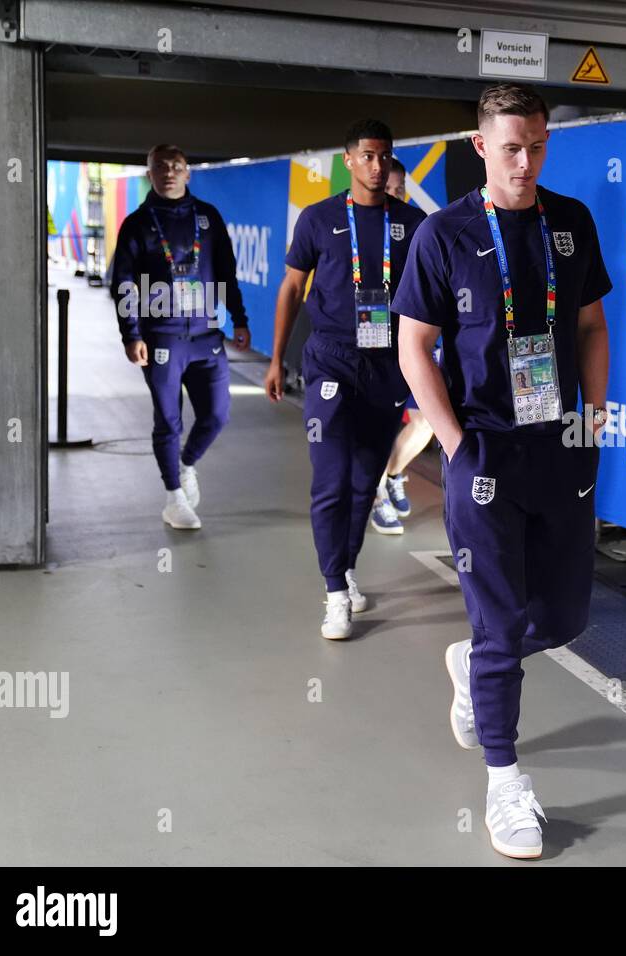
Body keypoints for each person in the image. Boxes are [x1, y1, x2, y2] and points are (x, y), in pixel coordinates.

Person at [394, 83, 610, 860]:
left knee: (561, 618)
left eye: (538, 146)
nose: (526, 162)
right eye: (511, 147)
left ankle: (472, 660)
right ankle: (505, 777)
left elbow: (590, 325)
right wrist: (452, 443)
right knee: (496, 622)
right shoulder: (443, 234)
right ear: (481, 145)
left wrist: (592, 415)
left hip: (561, 449)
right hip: (483, 450)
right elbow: (413, 346)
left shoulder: (572, 223)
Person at [263, 119, 425, 640]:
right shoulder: (319, 219)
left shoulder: (413, 223)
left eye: (385, 157)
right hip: (330, 360)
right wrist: (275, 360)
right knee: (331, 479)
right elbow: (291, 290)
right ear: (349, 160)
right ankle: (334, 592)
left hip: (386, 366)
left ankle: (347, 570)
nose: (378, 167)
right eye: (368, 157)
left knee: (363, 483)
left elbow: (431, 299)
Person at [110, 143, 251, 529]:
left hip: (206, 335)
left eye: (177, 166)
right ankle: (173, 497)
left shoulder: (208, 216)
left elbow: (226, 272)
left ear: (188, 173)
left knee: (217, 414)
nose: (169, 172)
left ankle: (186, 464)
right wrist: (130, 334)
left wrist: (239, 318)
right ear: (150, 174)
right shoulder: (137, 224)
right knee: (168, 420)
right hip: (161, 338)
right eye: (160, 167)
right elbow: (122, 282)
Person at [369, 158, 435, 535]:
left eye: (400, 190)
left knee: (427, 418)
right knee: (379, 425)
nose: (395, 196)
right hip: (373, 340)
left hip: (414, 338)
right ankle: (377, 496)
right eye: (389, 190)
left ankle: (393, 474)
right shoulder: (354, 227)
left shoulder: (417, 225)